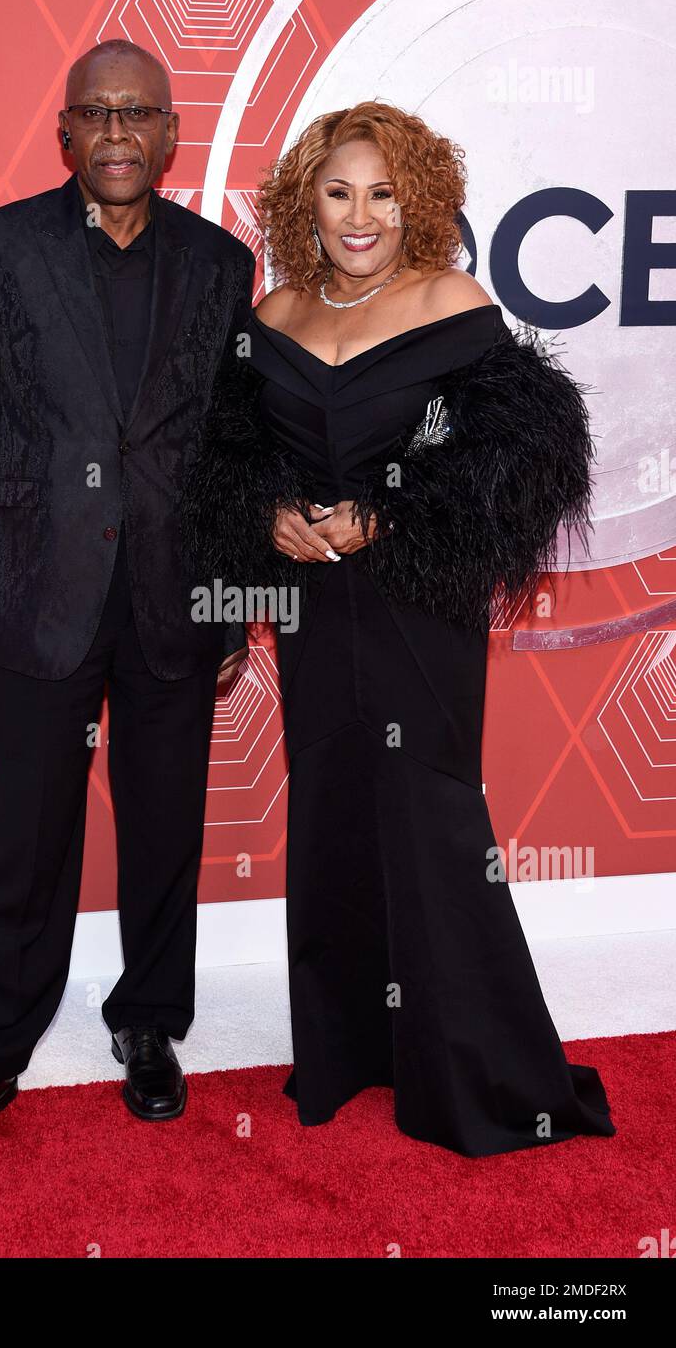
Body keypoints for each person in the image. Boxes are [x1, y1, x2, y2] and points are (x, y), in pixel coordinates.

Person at [181, 100, 617, 1157]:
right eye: (337, 192)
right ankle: (345, 1050)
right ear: (306, 204)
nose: (359, 213)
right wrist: (268, 515)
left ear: (412, 201)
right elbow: (230, 456)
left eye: (380, 192)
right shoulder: (273, 314)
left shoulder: (448, 299)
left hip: (417, 604)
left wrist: (388, 511)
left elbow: (523, 451)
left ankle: (474, 1070)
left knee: (429, 818)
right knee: (330, 809)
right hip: (314, 606)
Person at [0, 40, 253, 1176]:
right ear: (66, 132)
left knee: (164, 827)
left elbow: (228, 448)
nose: (116, 133)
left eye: (138, 113)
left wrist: (232, 599)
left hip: (171, 593)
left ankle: (147, 1021)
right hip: (29, 594)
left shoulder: (219, 263)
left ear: (168, 133)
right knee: (23, 835)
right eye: (95, 113)